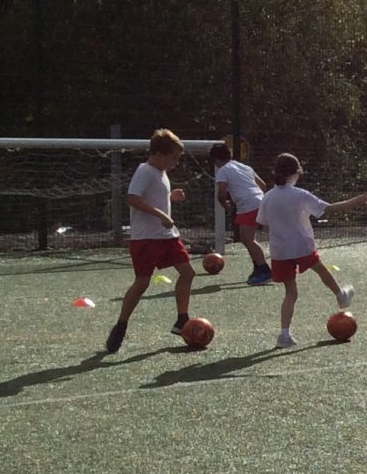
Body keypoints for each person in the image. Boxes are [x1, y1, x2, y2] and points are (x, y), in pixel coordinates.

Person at [255, 153, 367, 347]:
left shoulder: (267, 197)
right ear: (295, 173)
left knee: (290, 293)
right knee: (322, 270)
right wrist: (354, 202)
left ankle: (284, 335)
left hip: (279, 251)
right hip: (301, 245)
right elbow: (328, 209)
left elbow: (262, 224)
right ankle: (340, 295)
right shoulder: (300, 194)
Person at [105, 129, 197, 353]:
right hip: (146, 238)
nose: (176, 163)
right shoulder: (145, 171)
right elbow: (133, 198)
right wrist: (162, 215)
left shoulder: (161, 172)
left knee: (188, 272)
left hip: (166, 236)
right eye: (174, 158)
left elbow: (153, 197)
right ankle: (121, 325)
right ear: (159, 153)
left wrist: (170, 197)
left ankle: (182, 320)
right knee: (142, 283)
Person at [209, 142, 270, 284]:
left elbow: (221, 193)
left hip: (247, 205)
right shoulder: (244, 167)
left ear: (216, 160)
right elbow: (263, 185)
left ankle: (264, 270)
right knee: (249, 238)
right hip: (259, 201)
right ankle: (258, 268)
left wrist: (225, 204)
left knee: (248, 239)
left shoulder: (223, 170)